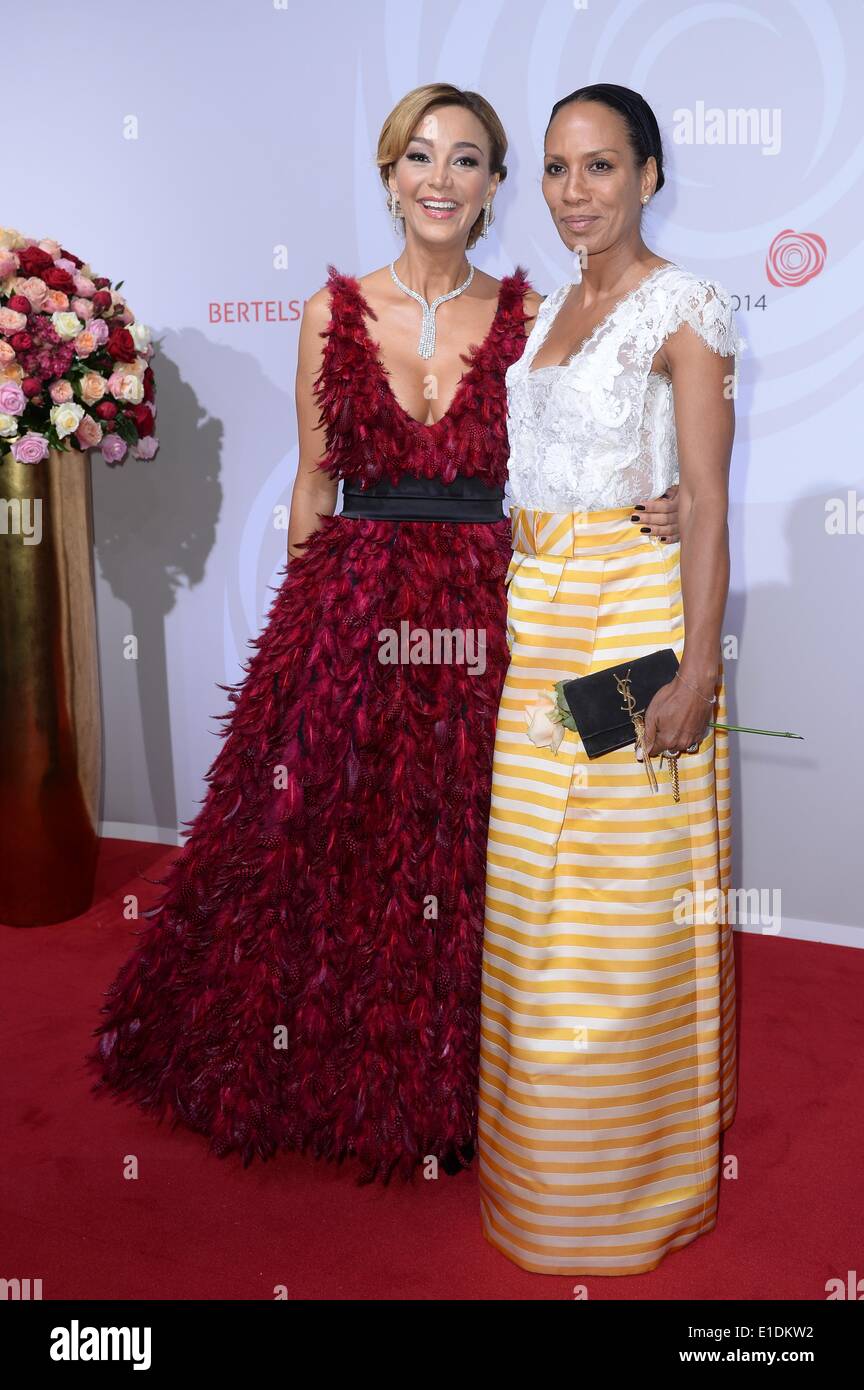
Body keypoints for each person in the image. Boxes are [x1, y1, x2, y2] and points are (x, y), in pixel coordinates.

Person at [87, 84, 680, 1183]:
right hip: (349, 607)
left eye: (466, 160)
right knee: (318, 842)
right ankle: (303, 1071)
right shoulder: (334, 311)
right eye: (419, 157)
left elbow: (585, 463)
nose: (440, 179)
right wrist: (294, 640)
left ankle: (450, 1083)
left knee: (457, 850)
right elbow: (316, 481)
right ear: (388, 175)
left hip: (482, 606)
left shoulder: (531, 315)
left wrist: (680, 499)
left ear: (497, 186)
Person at [478, 84, 739, 1272]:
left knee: (619, 915)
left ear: (648, 173)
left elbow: (709, 501)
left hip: (632, 624)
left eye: (599, 167)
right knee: (534, 905)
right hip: (541, 628)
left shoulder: (686, 304)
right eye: (555, 169)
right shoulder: (546, 312)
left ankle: (623, 1191)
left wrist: (694, 671)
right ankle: (537, 1174)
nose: (574, 192)